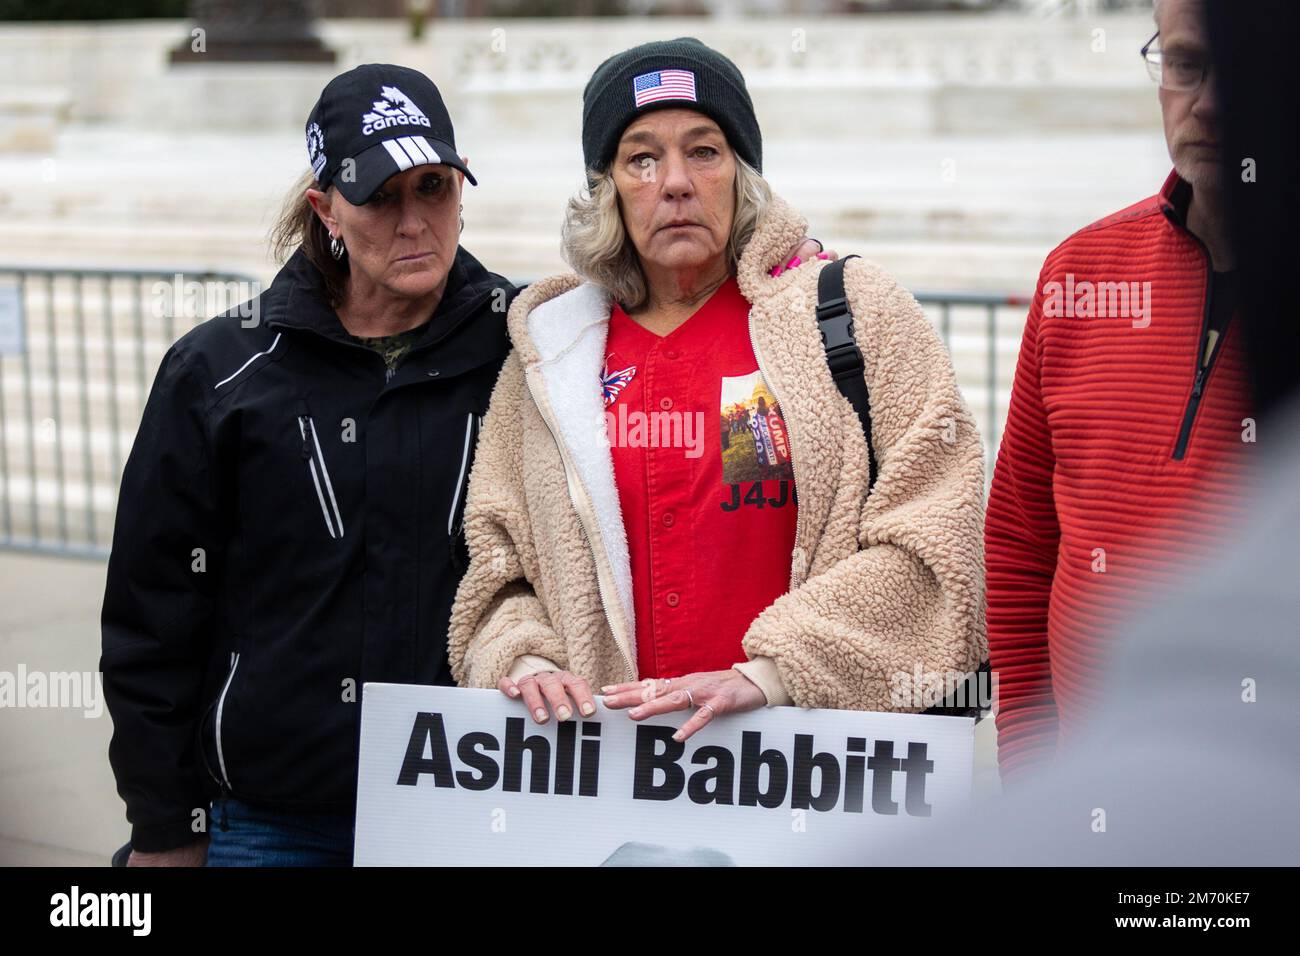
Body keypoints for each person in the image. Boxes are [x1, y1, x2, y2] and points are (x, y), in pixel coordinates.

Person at [100, 61, 829, 867]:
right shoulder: (221, 372)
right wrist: (164, 826)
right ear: (325, 208)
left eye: (434, 188)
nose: (414, 222)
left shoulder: (531, 347)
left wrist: (784, 272)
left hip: (463, 804)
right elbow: (151, 617)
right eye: (380, 197)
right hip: (272, 822)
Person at [449, 38, 986, 737]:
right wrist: (523, 659)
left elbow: (938, 530)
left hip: (808, 759)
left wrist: (773, 674)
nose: (675, 182)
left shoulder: (854, 313)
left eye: (704, 151)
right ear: (608, 189)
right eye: (642, 158)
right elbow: (499, 569)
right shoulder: (551, 352)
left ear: (742, 174)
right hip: (610, 765)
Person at [985, 0, 1255, 784]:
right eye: (1186, 64)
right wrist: (1035, 777)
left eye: (1243, 70)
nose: (1208, 104)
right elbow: (1021, 544)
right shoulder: (1079, 274)